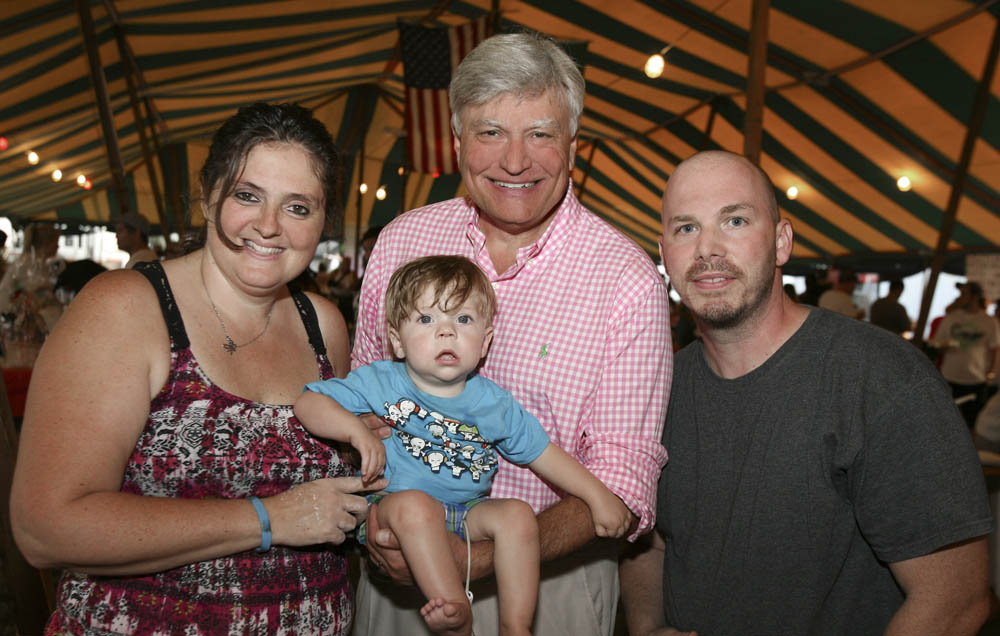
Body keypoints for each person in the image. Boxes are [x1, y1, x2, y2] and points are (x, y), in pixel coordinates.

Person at [10, 103, 380, 635]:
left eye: (298, 207)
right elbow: (46, 528)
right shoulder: (127, 308)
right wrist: (268, 518)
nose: (269, 226)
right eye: (247, 196)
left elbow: (329, 497)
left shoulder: (322, 325)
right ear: (207, 196)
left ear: (323, 222)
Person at [351, 32, 671, 636]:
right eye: (491, 131)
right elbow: (363, 405)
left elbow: (624, 482)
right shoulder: (402, 242)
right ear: (457, 142)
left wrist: (476, 557)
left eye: (541, 134)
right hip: (398, 572)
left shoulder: (625, 281)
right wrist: (382, 524)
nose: (515, 161)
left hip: (552, 587)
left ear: (573, 144)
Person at [620, 150, 992, 636]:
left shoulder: (880, 379)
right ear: (664, 252)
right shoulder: (652, 385)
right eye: (686, 228)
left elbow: (955, 601)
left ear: (781, 242)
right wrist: (648, 627)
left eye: (735, 220)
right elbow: (650, 540)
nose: (707, 248)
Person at [297, 255, 630, 635]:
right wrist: (354, 431)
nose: (446, 332)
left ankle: (516, 626)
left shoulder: (493, 402)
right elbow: (309, 402)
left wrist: (598, 495)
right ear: (397, 340)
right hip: (394, 507)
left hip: (467, 511)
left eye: (463, 319)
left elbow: (543, 454)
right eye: (426, 319)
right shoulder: (380, 381)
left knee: (518, 515)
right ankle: (455, 609)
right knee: (415, 506)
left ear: (485, 341)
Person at [930, 280, 1000, 427]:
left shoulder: (988, 321)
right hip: (950, 376)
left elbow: (995, 349)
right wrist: (944, 346)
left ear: (975, 297)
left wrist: (991, 372)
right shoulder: (951, 317)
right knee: (944, 421)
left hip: (976, 379)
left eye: (964, 294)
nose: (960, 297)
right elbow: (936, 343)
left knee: (971, 422)